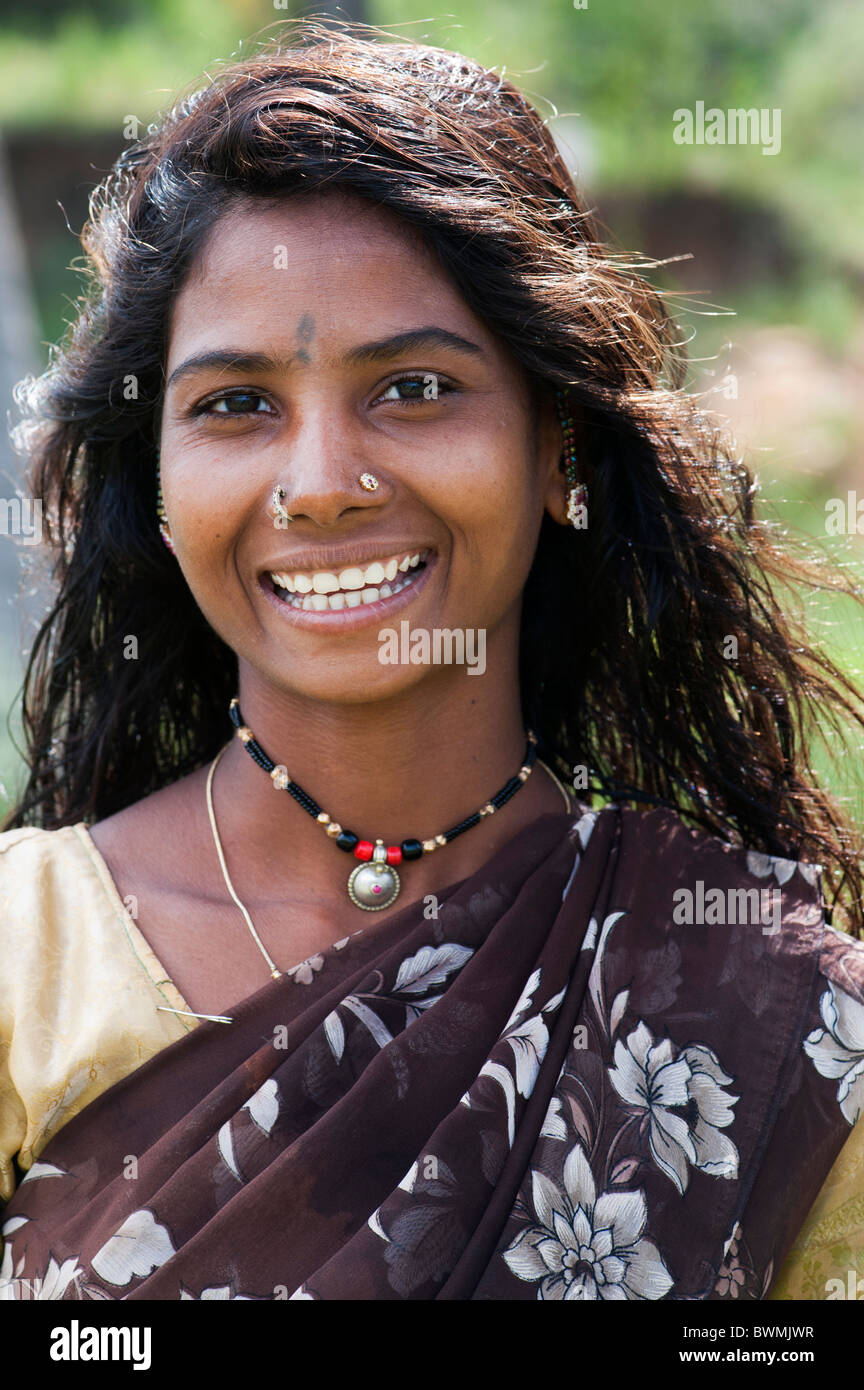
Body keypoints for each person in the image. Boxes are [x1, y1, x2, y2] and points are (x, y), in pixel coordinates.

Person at [1, 20, 863, 1302]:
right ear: (162, 481)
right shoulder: (29, 967)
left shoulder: (769, 1009)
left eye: (413, 388)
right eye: (236, 404)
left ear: (558, 445)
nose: (321, 486)